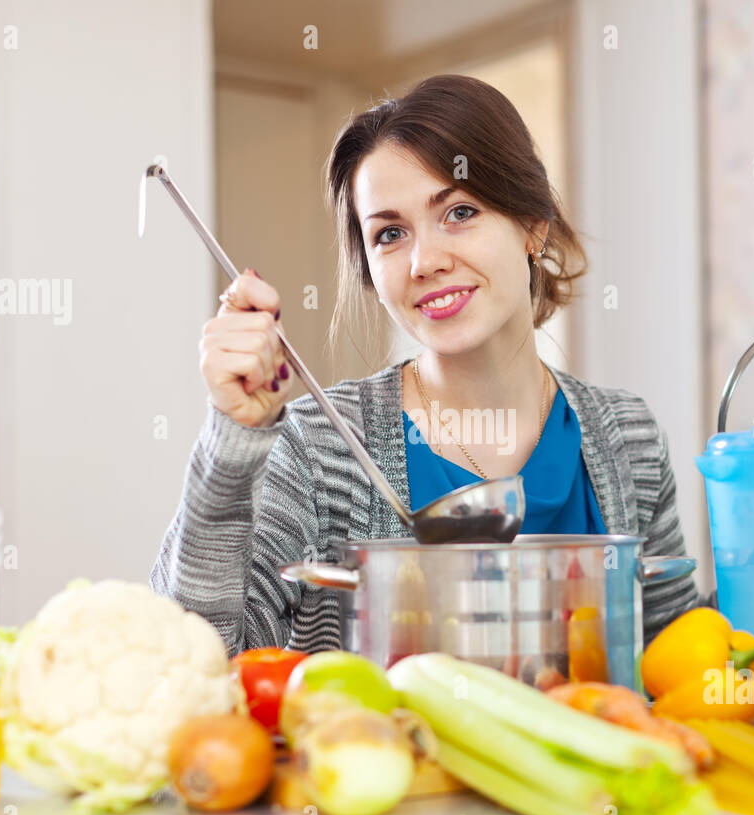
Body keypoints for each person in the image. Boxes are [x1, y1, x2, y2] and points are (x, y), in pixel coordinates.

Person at [151, 74, 699, 656]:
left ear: (533, 225)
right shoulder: (318, 447)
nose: (425, 261)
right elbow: (192, 656)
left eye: (460, 211)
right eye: (390, 233)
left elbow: (680, 663)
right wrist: (232, 440)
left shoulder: (630, 437)